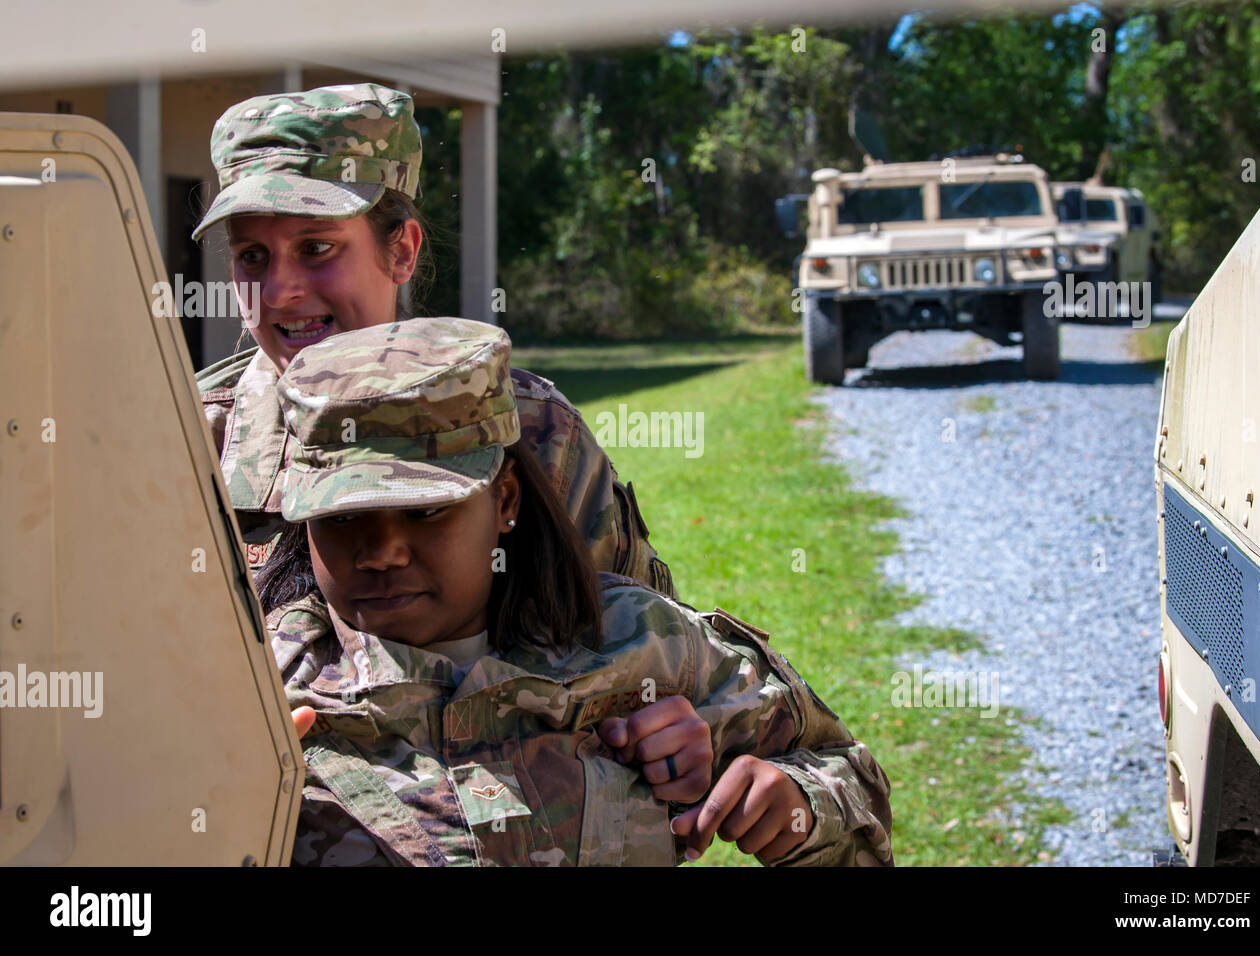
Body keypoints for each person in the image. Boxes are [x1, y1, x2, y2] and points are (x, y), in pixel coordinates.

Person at [264, 316, 894, 866]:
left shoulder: (642, 646)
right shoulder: (261, 688)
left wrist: (795, 808)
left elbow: (854, 786)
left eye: (426, 511)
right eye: (342, 518)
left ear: (504, 499)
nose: (381, 553)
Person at [191, 83, 673, 596]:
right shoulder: (191, 440)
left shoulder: (534, 432)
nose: (279, 291)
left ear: (401, 252)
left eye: (316, 247)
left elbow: (632, 640)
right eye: (252, 256)